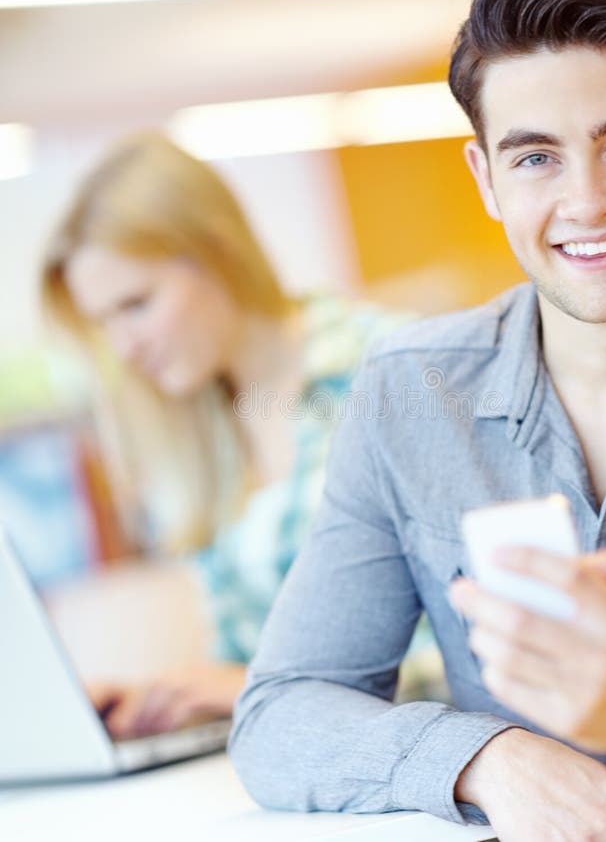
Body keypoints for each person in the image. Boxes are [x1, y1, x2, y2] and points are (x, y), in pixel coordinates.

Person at [228, 0, 606, 839]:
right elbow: (283, 711)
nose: (586, 202)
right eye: (536, 158)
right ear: (485, 179)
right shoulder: (407, 395)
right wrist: (486, 757)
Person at [41, 130, 411, 739]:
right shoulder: (199, 427)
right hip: (291, 770)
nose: (124, 348)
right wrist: (166, 701)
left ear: (218, 254)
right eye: (102, 323)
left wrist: (258, 690)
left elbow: (470, 650)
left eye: (135, 303)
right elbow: (245, 658)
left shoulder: (394, 368)